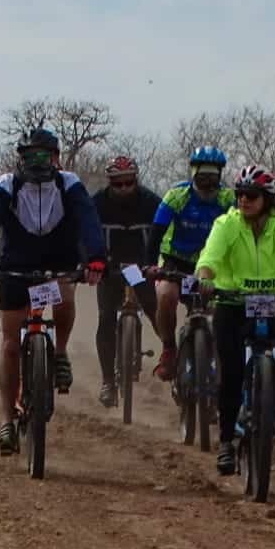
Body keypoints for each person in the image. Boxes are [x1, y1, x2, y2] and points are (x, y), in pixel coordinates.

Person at [0, 127, 105, 453]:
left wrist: (96, 258)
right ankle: (6, 420)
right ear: (21, 158)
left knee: (66, 296)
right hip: (16, 263)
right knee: (10, 344)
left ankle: (60, 353)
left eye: (45, 155)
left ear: (55, 157)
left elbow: (88, 221)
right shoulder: (7, 185)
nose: (38, 162)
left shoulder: (69, 184)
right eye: (31, 156)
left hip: (59, 260)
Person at [196, 165, 275, 475]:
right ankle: (226, 442)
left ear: (267, 199)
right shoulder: (226, 224)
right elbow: (209, 257)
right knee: (230, 374)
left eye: (251, 195)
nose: (243, 201)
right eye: (239, 195)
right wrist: (205, 278)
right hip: (232, 300)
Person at [151, 146, 234, 381]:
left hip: (213, 265)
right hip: (176, 261)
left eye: (213, 174)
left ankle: (221, 358)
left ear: (220, 174)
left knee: (222, 311)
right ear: (193, 171)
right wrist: (151, 265)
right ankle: (168, 349)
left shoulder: (229, 199)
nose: (208, 179)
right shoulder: (177, 196)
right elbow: (156, 232)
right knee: (166, 296)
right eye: (202, 173)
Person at [90, 155, 164, 408]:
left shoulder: (152, 202)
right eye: (117, 184)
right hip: (108, 267)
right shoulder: (97, 203)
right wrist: (89, 262)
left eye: (128, 183)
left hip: (142, 267)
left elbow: (166, 234)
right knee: (106, 318)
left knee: (157, 311)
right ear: (109, 182)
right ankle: (108, 381)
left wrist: (159, 265)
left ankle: (170, 356)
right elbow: (85, 235)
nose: (123, 188)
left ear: (136, 180)